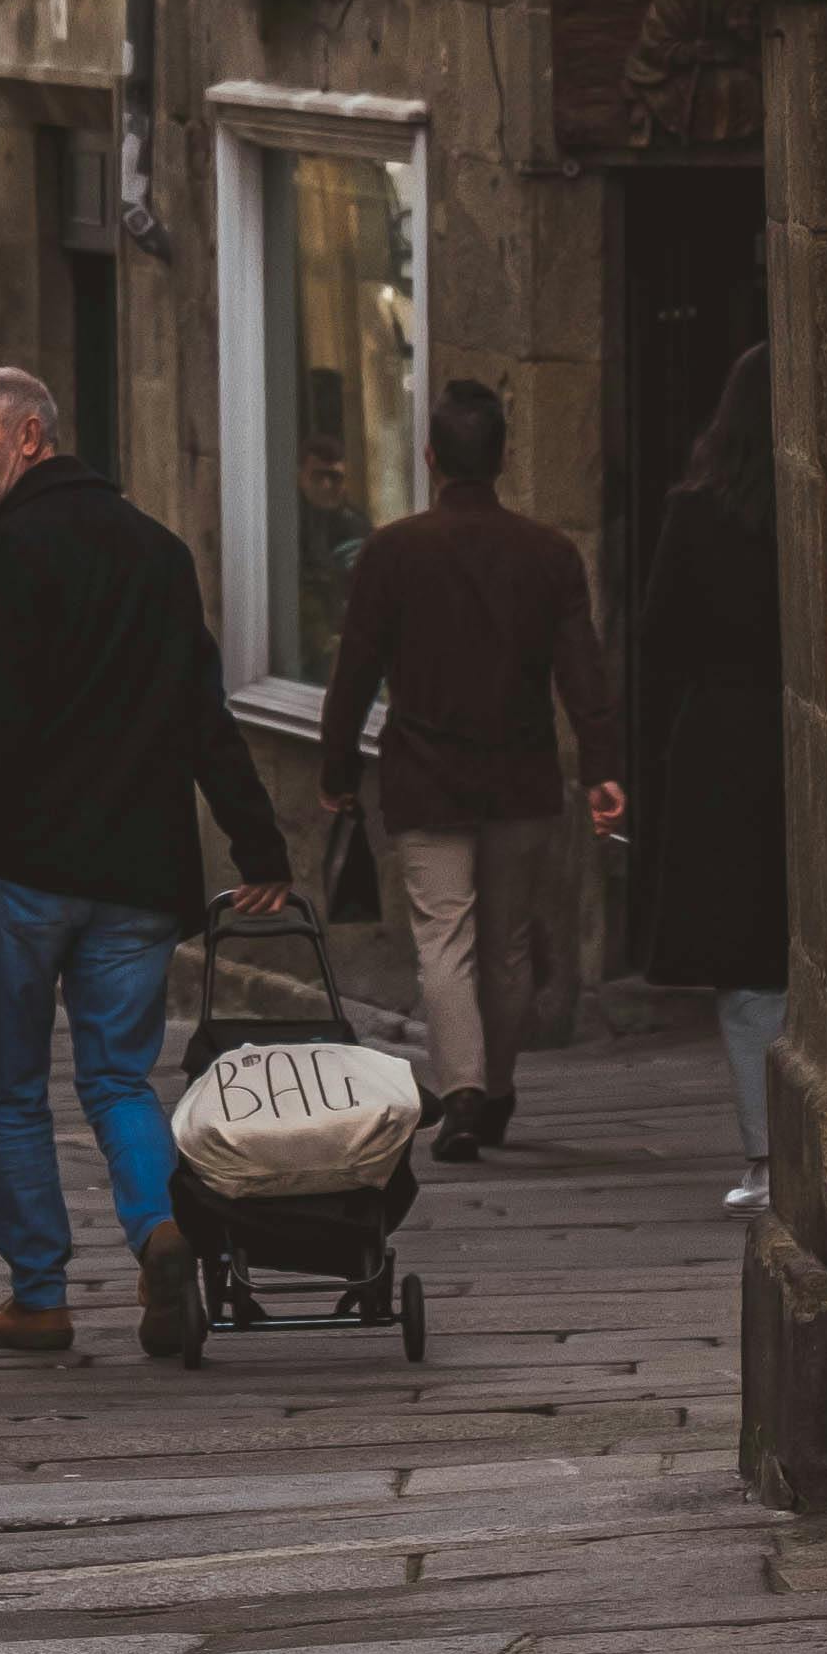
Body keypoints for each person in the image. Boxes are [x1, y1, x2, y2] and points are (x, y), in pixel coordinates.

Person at [0, 365, 294, 1364]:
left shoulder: (8, 559)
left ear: (29, 437)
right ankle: (158, 1228)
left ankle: (41, 1295)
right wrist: (257, 841)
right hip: (136, 875)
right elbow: (203, 711)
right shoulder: (156, 553)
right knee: (116, 1076)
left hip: (25, 872)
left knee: (14, 1083)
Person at [315, 376, 624, 1163]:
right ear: (503, 457)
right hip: (517, 774)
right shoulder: (548, 554)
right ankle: (495, 1089)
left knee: (441, 937)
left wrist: (337, 766)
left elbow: (354, 669)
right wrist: (601, 766)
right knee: (508, 946)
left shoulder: (391, 551)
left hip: (424, 772)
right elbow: (580, 670)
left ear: (430, 457)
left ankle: (458, 1089)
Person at [639, 342, 787, 1211]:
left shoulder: (696, 515)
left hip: (726, 745)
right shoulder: (819, 511)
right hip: (795, 727)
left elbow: (661, 638)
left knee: (749, 964)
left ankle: (765, 1158)